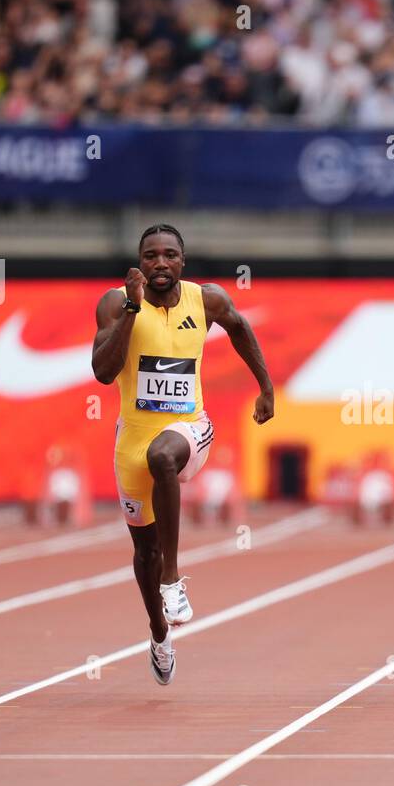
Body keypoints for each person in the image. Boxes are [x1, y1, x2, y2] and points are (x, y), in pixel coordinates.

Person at [91, 224, 273, 685]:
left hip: (190, 429)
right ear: (139, 262)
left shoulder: (205, 299)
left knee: (163, 456)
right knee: (143, 551)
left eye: (169, 255)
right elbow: (102, 372)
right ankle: (158, 633)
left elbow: (239, 327)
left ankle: (173, 579)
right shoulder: (116, 303)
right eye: (150, 256)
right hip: (131, 439)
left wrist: (265, 387)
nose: (160, 263)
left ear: (182, 262)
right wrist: (132, 309)